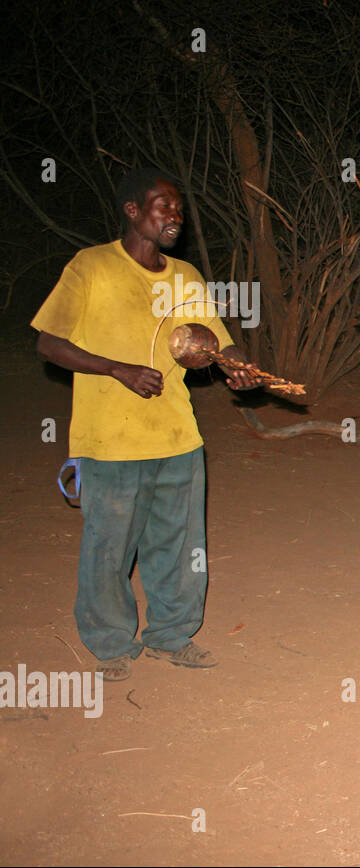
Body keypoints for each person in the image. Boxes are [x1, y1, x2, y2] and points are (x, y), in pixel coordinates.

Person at [32, 167, 255, 681]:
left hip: (178, 438)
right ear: (133, 210)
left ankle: (172, 635)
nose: (175, 216)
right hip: (110, 440)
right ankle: (110, 645)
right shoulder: (91, 267)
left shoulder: (186, 277)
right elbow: (49, 342)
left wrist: (239, 367)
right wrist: (115, 368)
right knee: (110, 548)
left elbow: (218, 342)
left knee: (179, 547)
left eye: (179, 208)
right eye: (163, 206)